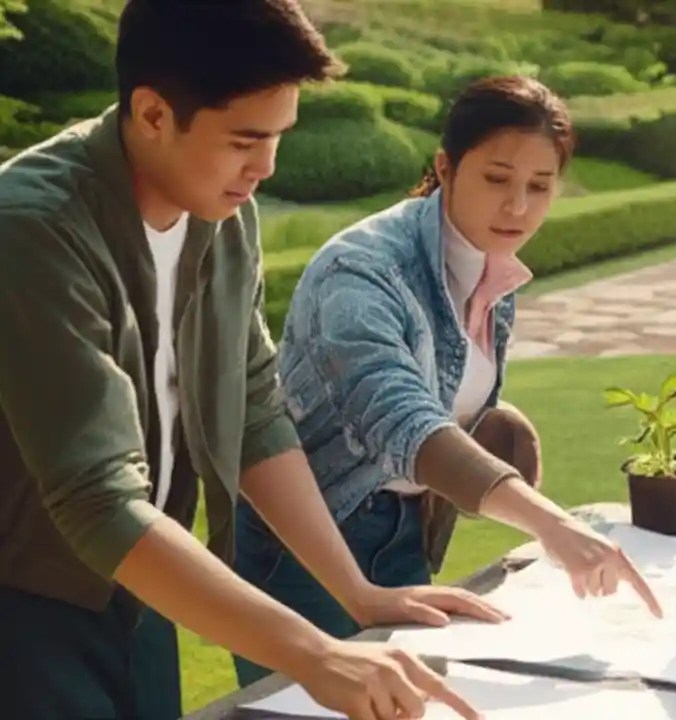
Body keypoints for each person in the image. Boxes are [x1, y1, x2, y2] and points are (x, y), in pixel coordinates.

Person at [0, 2, 508, 719]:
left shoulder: (221, 210)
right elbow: (97, 500)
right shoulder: (32, 229)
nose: (266, 167)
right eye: (245, 139)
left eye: (277, 137)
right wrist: (314, 653)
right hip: (26, 605)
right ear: (151, 114)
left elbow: (254, 411)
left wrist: (355, 595)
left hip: (145, 584)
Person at [232, 74, 663, 686]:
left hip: (404, 532)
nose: (518, 206)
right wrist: (553, 524)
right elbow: (399, 417)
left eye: (539, 186)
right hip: (308, 541)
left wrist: (490, 420)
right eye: (496, 178)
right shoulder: (360, 271)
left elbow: (440, 388)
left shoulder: (490, 266)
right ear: (446, 166)